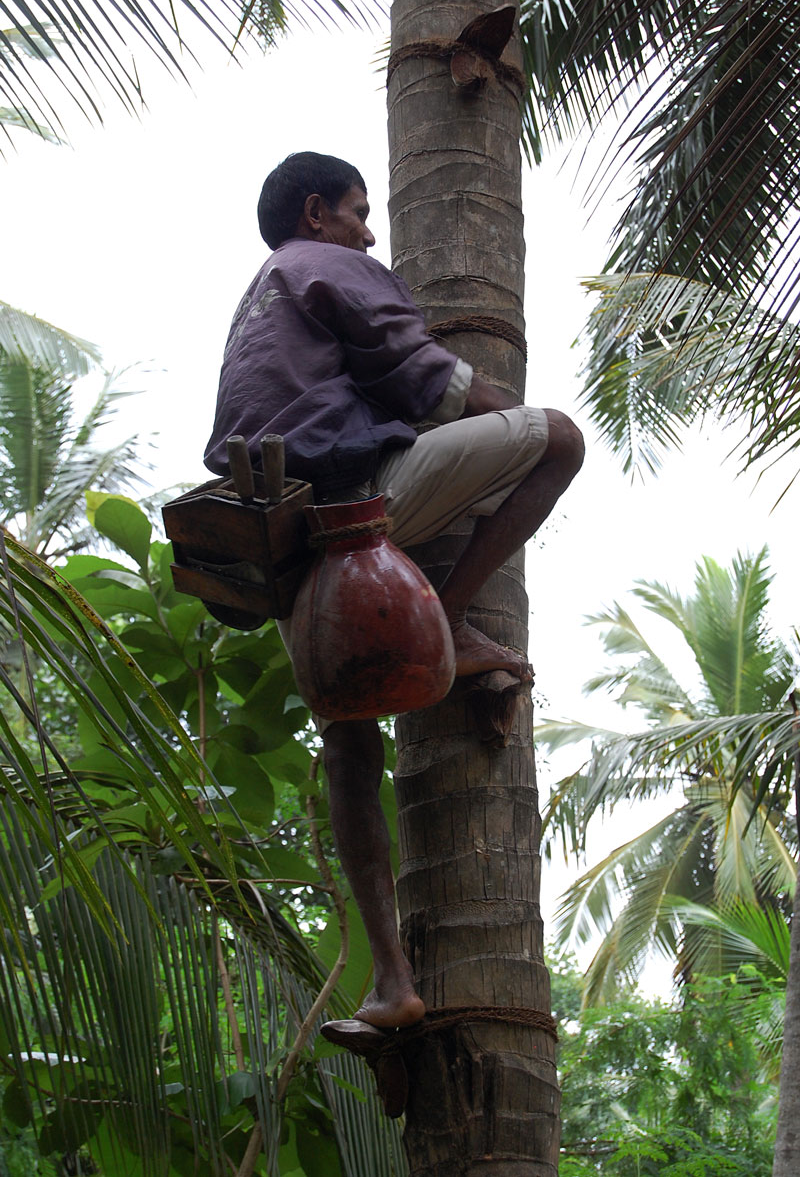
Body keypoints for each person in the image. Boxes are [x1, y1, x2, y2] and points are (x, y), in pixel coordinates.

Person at [206, 151, 584, 1033]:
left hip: (285, 547)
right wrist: (499, 407)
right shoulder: (322, 262)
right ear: (316, 212)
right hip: (359, 508)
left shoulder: (256, 301)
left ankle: (391, 979)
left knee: (349, 740)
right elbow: (420, 371)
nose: (370, 233)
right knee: (560, 439)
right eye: (359, 211)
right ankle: (447, 623)